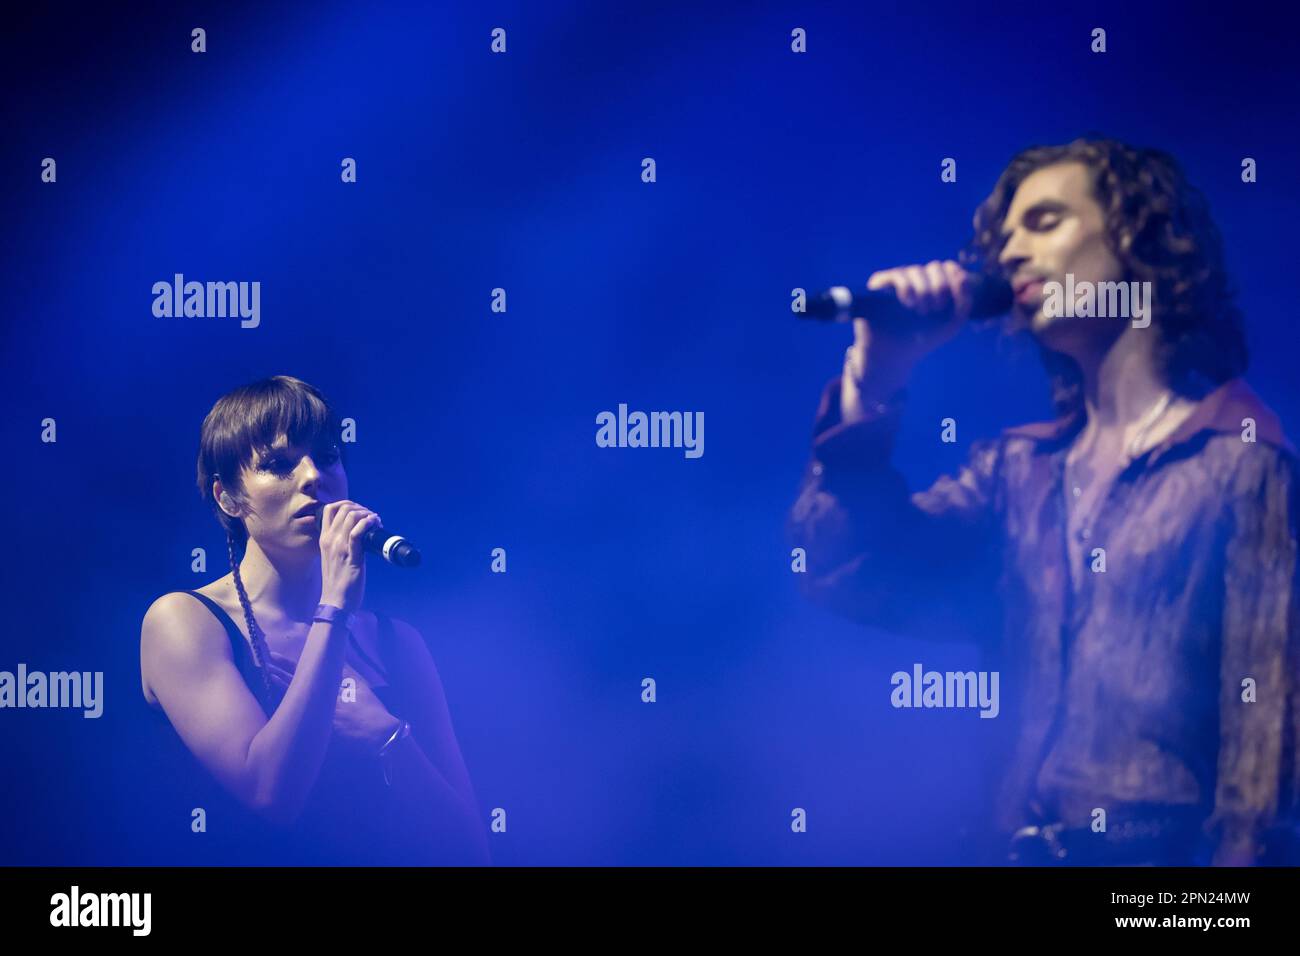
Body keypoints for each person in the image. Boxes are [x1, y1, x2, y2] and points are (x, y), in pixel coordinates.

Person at [788, 138, 1299, 866]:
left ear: (1137, 241)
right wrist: (876, 380)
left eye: (1045, 221)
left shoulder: (1242, 464)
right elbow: (841, 569)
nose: (1011, 256)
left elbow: (1264, 762)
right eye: (1004, 239)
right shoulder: (1016, 472)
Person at [140, 374, 490, 865]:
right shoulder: (184, 620)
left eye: (326, 457)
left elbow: (472, 849)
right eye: (279, 465)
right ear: (228, 497)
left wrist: (387, 736)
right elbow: (270, 795)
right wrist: (334, 611)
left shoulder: (396, 643)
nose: (312, 478)